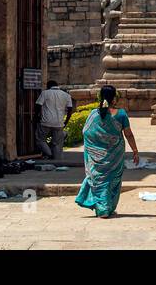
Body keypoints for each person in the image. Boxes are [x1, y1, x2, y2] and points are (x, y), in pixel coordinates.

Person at [74, 84, 139, 218]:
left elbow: (86, 132)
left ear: (100, 97)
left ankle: (103, 207)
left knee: (99, 179)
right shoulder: (121, 114)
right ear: (114, 97)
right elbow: (129, 134)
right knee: (112, 180)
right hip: (115, 155)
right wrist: (135, 150)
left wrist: (95, 146)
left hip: (95, 155)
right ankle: (105, 208)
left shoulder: (93, 114)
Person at [34, 79, 74, 161]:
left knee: (40, 139)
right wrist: (66, 121)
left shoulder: (45, 93)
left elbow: (38, 106)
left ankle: (49, 154)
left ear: (48, 86)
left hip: (46, 122)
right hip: (59, 123)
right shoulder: (66, 95)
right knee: (56, 143)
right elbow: (70, 109)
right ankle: (56, 160)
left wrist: (36, 117)